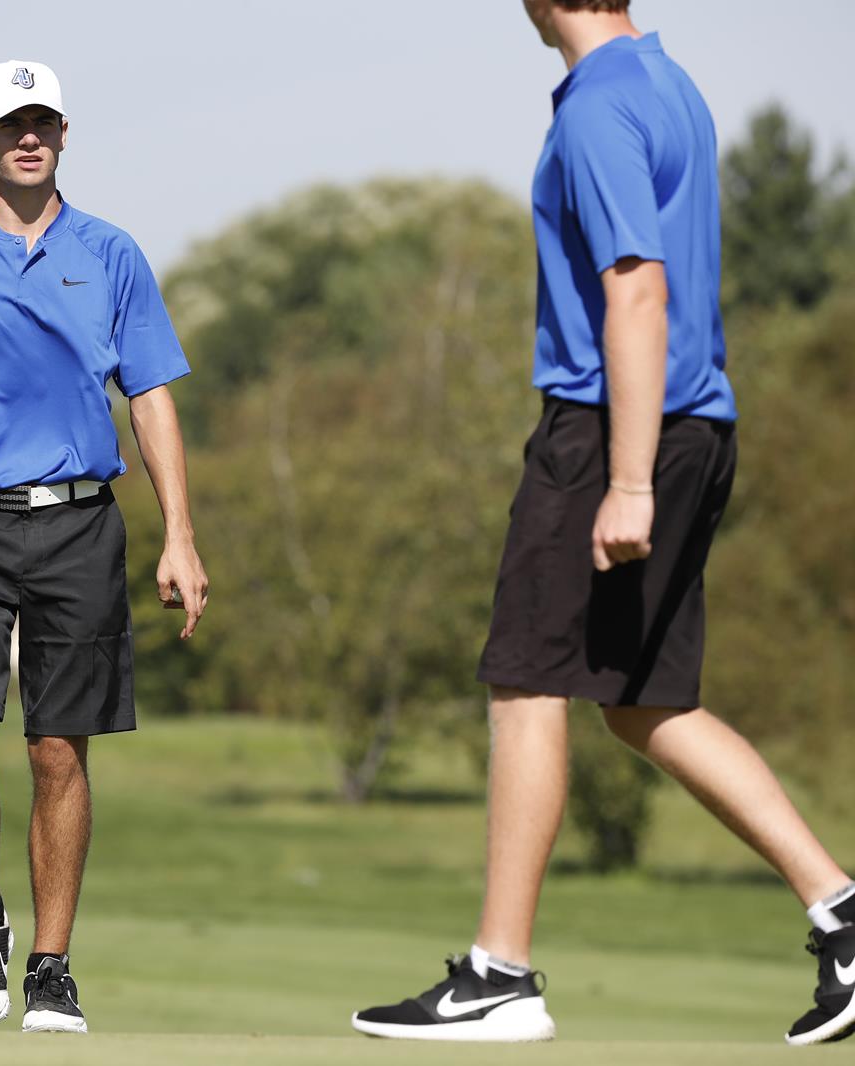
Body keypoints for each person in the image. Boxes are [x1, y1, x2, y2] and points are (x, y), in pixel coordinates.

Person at [352, 1, 855, 1045]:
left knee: (526, 675)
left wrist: (625, 481)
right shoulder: (669, 85)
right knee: (641, 699)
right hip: (694, 425)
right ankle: (844, 915)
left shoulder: (598, 108)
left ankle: (500, 973)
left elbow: (636, 290)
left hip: (613, 431)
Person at [0, 60, 209, 1034]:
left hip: (79, 518)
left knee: (59, 747)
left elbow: (150, 393)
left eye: (43, 121)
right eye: (9, 124)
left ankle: (52, 966)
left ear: (63, 133)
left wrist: (179, 535)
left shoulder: (111, 252)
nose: (29, 136)